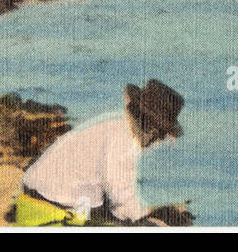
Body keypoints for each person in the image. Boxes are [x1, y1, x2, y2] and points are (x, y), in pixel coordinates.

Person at [15, 80, 185, 226]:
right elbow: (122, 199)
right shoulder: (124, 141)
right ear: (153, 130)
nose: (158, 141)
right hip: (49, 213)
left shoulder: (115, 124)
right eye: (161, 135)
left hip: (35, 202)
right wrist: (154, 219)